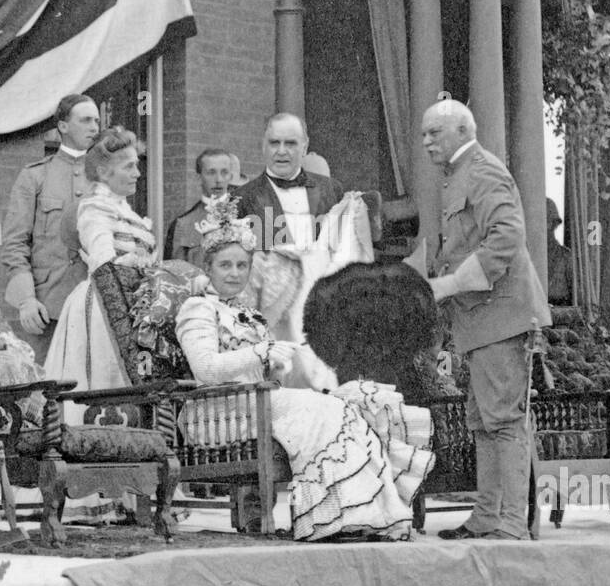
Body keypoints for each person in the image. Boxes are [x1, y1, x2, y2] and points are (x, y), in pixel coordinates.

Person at [175, 197, 433, 541]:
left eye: (241, 265)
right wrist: (259, 351)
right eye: (225, 266)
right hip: (215, 411)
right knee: (324, 409)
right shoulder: (197, 309)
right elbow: (205, 368)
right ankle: (333, 517)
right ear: (209, 269)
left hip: (254, 404)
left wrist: (274, 366)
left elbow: (261, 372)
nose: (234, 274)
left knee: (350, 405)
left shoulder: (246, 313)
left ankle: (364, 514)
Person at [416, 99, 551, 541]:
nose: (426, 142)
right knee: (482, 421)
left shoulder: (483, 169)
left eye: (434, 133)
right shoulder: (460, 173)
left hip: (501, 318)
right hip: (480, 322)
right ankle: (487, 518)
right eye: (424, 134)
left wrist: (450, 285)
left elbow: (508, 236)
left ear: (461, 130)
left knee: (503, 421)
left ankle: (511, 525)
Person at [44, 127, 157, 424]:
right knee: (101, 374)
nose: (137, 173)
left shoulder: (127, 212)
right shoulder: (95, 208)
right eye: (129, 166)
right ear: (105, 173)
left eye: (137, 165)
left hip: (132, 304)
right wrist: (137, 264)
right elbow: (102, 260)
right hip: (101, 306)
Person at [1, 94, 101, 361]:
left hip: (97, 305)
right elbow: (14, 243)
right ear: (63, 126)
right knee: (46, 390)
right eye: (86, 120)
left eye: (97, 121)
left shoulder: (105, 178)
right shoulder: (35, 176)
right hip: (47, 306)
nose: (94, 127)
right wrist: (26, 300)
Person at [234, 113, 344, 251]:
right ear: (263, 146)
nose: (281, 151)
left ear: (305, 147)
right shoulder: (240, 199)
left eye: (290, 143)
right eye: (274, 143)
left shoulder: (332, 189)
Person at [164, 148, 234, 267]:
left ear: (231, 177)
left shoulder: (248, 215)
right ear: (198, 177)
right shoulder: (183, 224)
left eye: (224, 172)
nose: (218, 180)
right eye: (211, 172)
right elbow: (173, 276)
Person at [546, 198, 574, 306]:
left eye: (546, 221)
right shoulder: (523, 259)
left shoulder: (567, 258)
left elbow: (580, 307)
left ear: (554, 224)